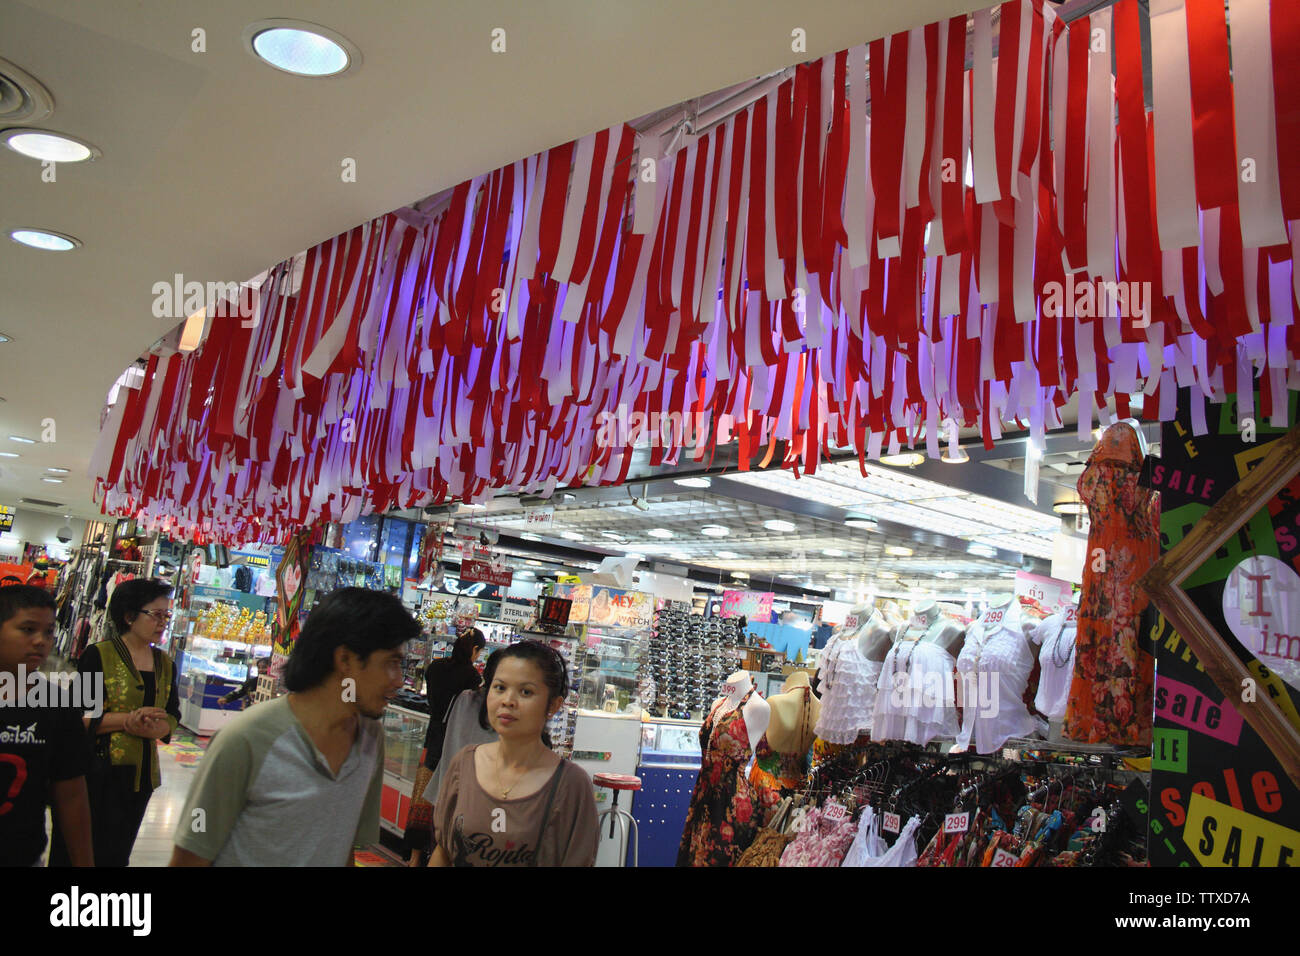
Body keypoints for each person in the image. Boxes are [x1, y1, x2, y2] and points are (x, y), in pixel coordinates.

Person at [170, 587, 418, 866]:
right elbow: (191, 855)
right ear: (345, 659)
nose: (399, 680)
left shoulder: (371, 741)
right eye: (391, 663)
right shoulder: (246, 740)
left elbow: (341, 845)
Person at [429, 640, 598, 867]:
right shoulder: (465, 763)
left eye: (526, 692)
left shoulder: (571, 785)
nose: (508, 701)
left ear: (554, 706)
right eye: (499, 687)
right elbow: (444, 852)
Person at [51, 578, 179, 867]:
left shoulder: (165, 663)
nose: (163, 623)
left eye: (166, 615)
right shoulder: (99, 655)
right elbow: (79, 716)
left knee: (117, 853)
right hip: (97, 773)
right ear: (129, 615)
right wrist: (127, 721)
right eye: (156, 615)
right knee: (78, 851)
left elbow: (173, 714)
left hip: (141, 776)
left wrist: (160, 727)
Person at [0, 585, 93, 867]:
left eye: (49, 631)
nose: (41, 641)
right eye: (28, 629)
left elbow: (71, 794)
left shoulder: (59, 706)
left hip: (20, 857)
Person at [405, 628, 486, 866]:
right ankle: (441, 852)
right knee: (447, 799)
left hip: (432, 736)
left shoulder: (435, 668)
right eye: (479, 652)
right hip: (456, 740)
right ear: (474, 650)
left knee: (422, 798)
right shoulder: (471, 678)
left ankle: (414, 857)